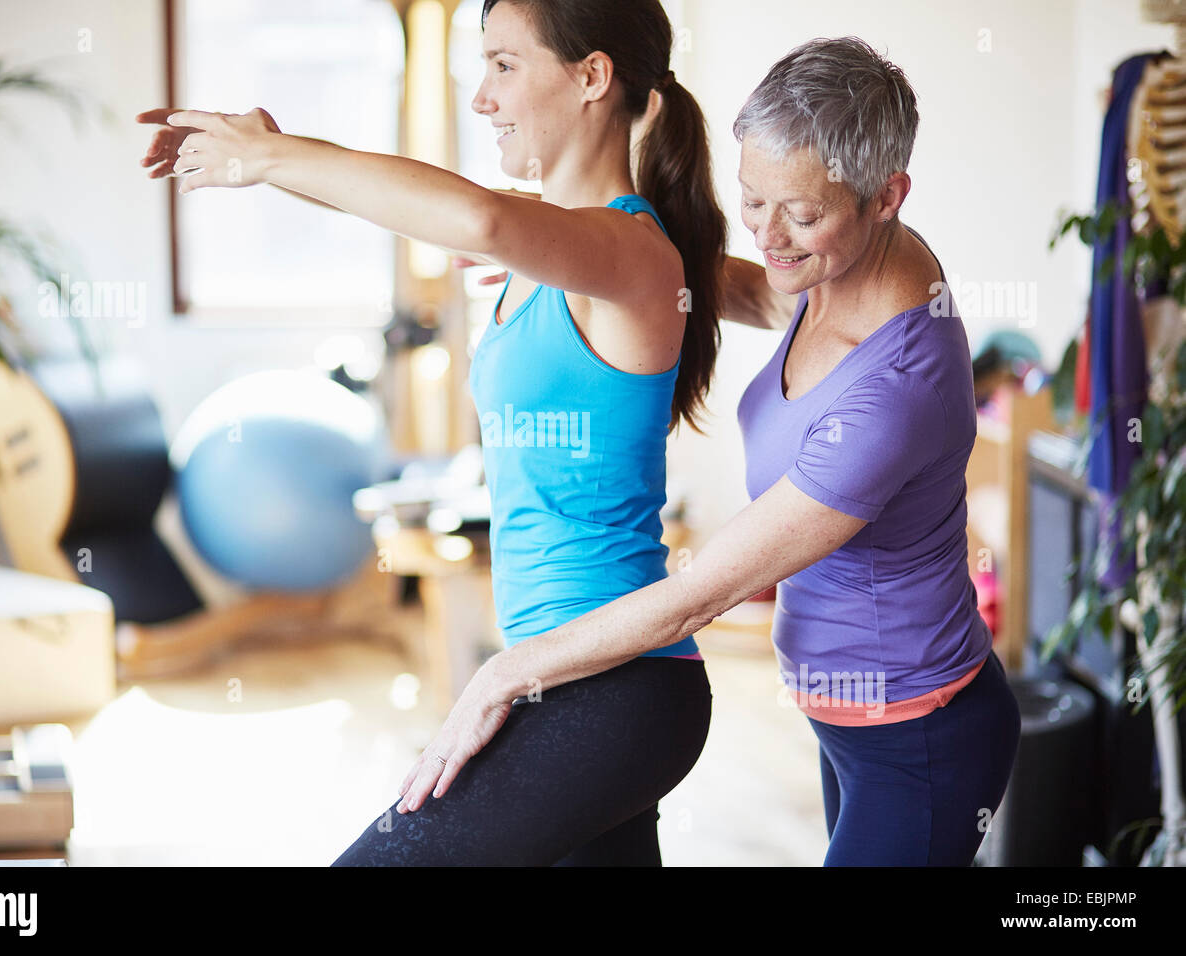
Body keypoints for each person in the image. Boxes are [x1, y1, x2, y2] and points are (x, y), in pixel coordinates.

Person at [138, 0, 743, 865]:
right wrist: (273, 158)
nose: (482, 99)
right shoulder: (548, 252)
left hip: (611, 690)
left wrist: (270, 157)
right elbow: (422, 210)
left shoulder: (631, 254)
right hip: (575, 680)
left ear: (593, 76)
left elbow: (477, 219)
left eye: (503, 65)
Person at [398, 36, 1023, 867]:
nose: (771, 234)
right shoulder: (845, 266)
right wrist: (560, 255)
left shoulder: (895, 395)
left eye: (799, 214)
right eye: (753, 201)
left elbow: (700, 593)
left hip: (922, 735)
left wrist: (505, 673)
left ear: (887, 197)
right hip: (853, 718)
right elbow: (743, 283)